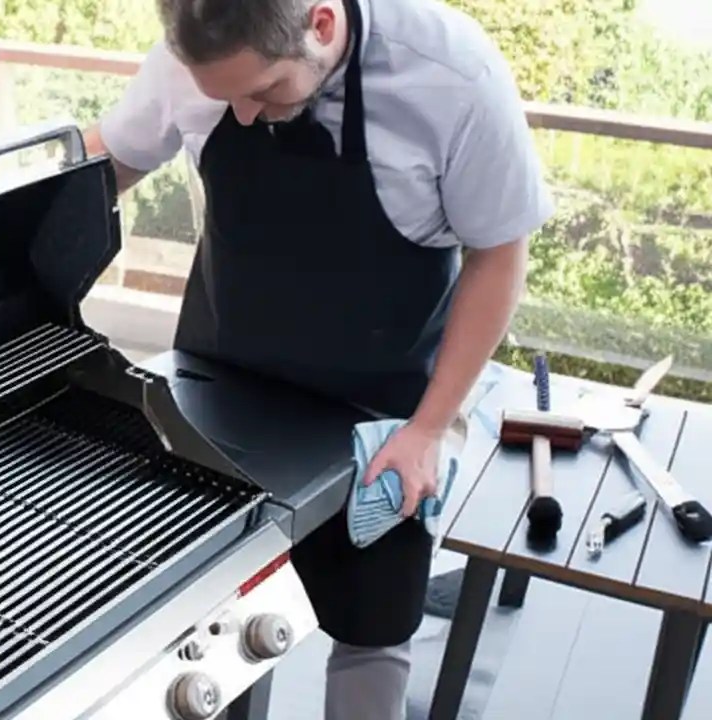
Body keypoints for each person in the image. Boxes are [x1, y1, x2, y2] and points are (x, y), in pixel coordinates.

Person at [83, 0, 554, 717]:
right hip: (223, 380)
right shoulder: (196, 49)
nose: (241, 114)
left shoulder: (452, 75)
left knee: (373, 627)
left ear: (322, 25)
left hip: (385, 407)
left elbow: (498, 257)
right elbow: (111, 160)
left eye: (264, 90)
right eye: (221, 95)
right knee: (202, 616)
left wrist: (428, 428)